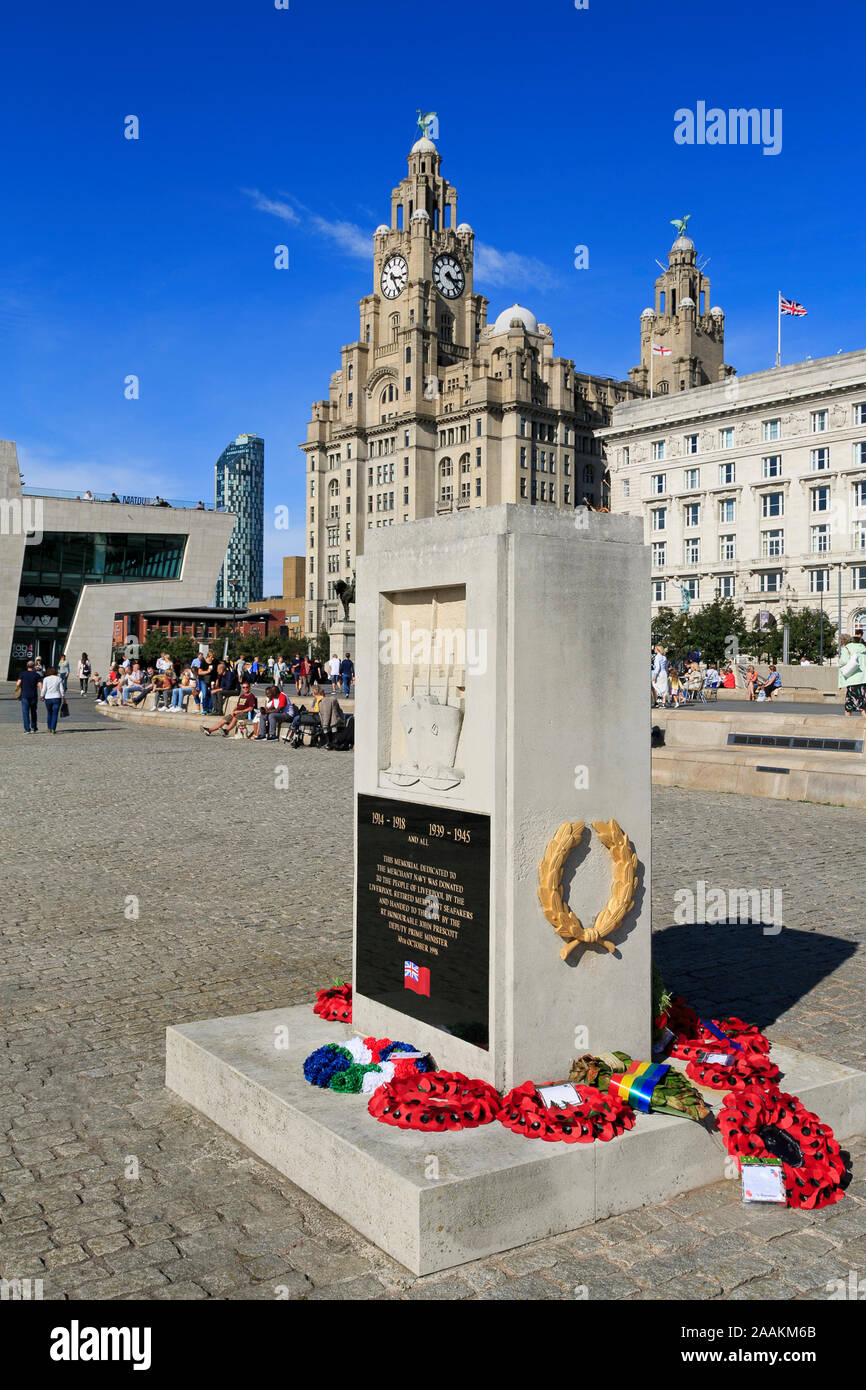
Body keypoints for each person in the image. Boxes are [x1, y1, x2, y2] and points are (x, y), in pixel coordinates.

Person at [837, 633, 866, 716]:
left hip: (853, 679)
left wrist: (839, 660)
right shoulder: (862, 648)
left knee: (849, 706)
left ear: (842, 642)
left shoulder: (846, 648)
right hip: (863, 679)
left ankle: (846, 724)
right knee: (863, 704)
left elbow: (843, 661)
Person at [16, 659, 42, 732]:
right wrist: (42, 695)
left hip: (25, 695)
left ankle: (27, 729)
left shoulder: (22, 674)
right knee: (33, 712)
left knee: (25, 712)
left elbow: (18, 684)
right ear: (33, 666)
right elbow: (40, 685)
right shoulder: (37, 675)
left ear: (27, 666)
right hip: (33, 695)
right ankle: (34, 727)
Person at [41, 666, 65, 733]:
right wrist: (63, 697)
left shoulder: (45, 679)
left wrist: (42, 696)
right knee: (55, 714)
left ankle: (49, 728)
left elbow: (44, 689)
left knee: (49, 713)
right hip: (57, 697)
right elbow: (61, 689)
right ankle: (53, 728)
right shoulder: (59, 679)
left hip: (48, 698)